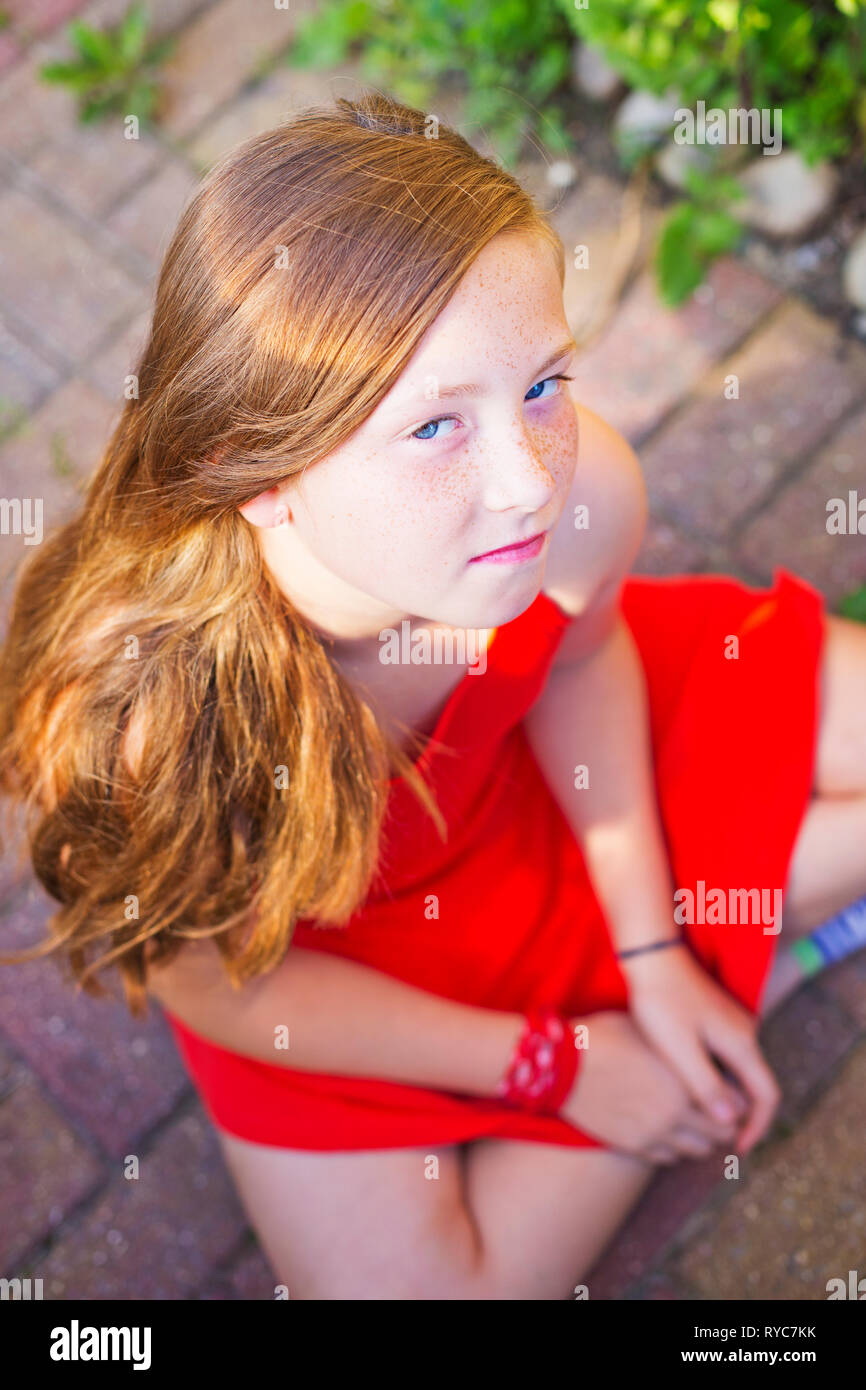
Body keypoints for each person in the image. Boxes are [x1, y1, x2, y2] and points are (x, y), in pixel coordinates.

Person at [2, 93, 866, 1302]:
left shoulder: (571, 501)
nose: (526, 481)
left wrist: (654, 949)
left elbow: (576, 658)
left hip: (532, 791)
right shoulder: (147, 716)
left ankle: (718, 966)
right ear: (256, 475)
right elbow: (213, 981)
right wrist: (554, 1067)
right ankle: (750, 958)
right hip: (327, 965)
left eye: (541, 383)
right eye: (431, 426)